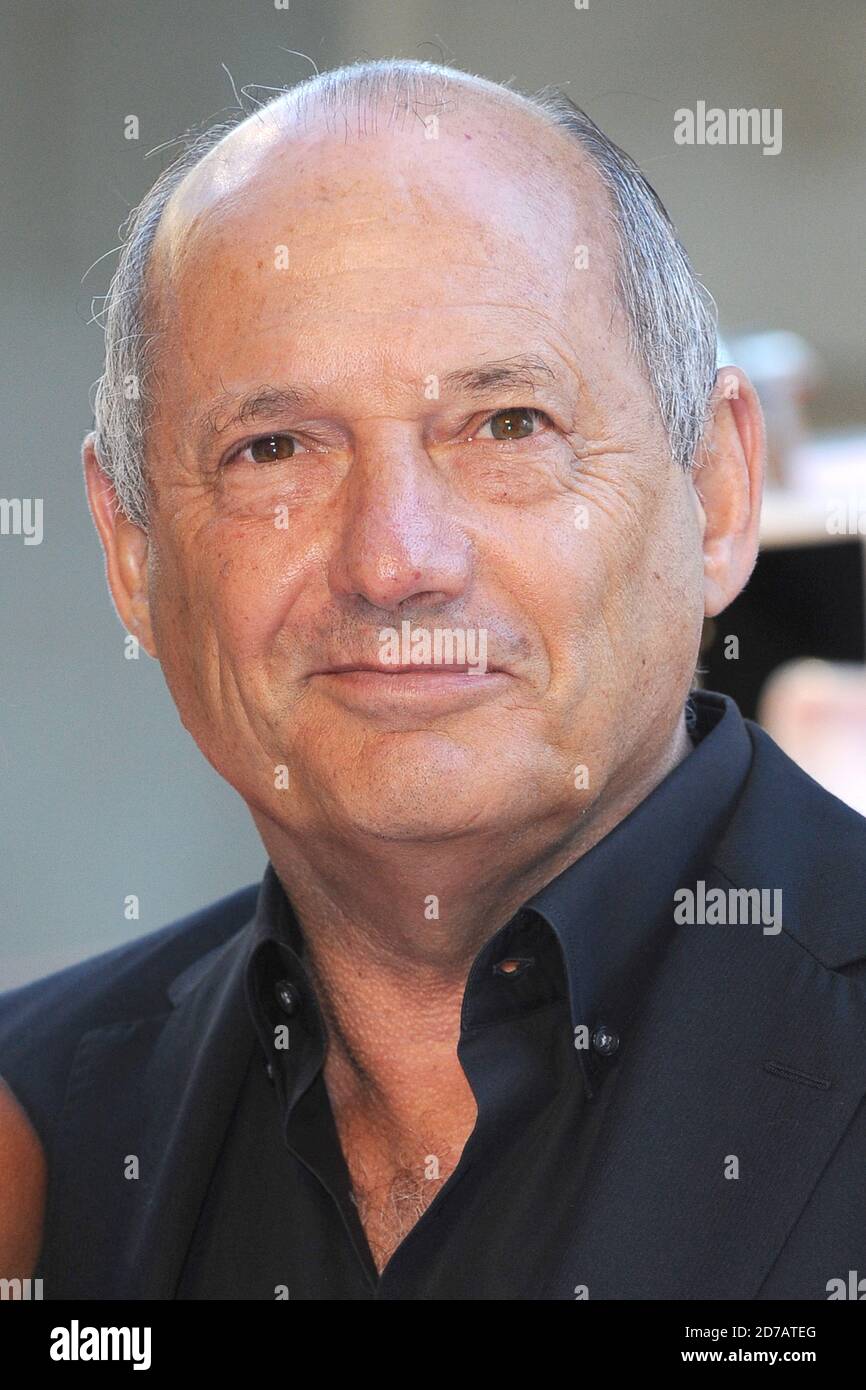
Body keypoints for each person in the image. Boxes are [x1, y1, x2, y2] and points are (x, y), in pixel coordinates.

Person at [2, 58, 865, 1300]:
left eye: (507, 423)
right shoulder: (35, 1147)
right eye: (274, 448)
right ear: (133, 553)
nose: (396, 559)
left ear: (715, 495)